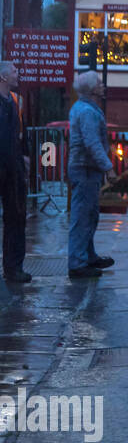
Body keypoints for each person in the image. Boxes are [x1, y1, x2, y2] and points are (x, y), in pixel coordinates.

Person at [67, 71, 115, 279]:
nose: (103, 85)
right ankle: (78, 262)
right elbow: (92, 143)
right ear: (92, 89)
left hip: (85, 168)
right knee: (83, 215)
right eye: (100, 83)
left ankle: (87, 255)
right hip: (84, 169)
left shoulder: (86, 108)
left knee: (90, 214)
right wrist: (108, 167)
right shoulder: (87, 111)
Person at [0, 61, 30, 283]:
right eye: (14, 71)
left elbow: (20, 133)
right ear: (3, 77)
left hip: (13, 169)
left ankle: (13, 268)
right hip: (3, 166)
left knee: (16, 218)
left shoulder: (14, 101)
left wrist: (23, 159)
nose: (17, 74)